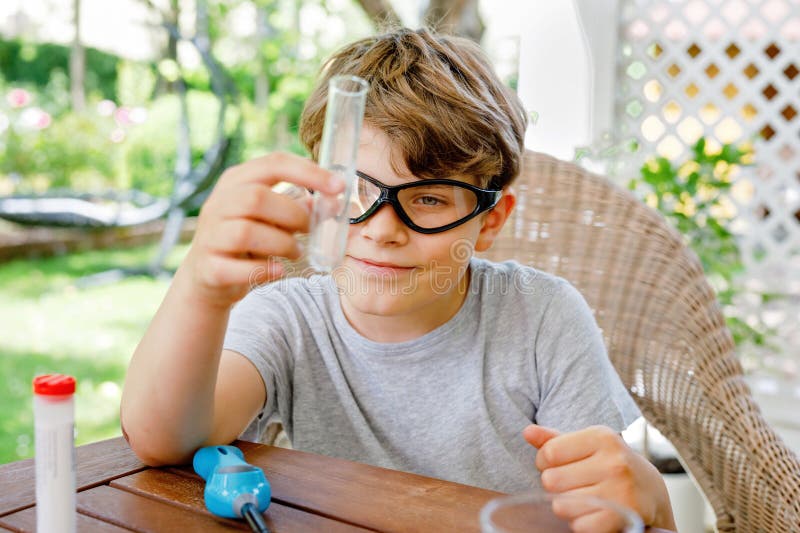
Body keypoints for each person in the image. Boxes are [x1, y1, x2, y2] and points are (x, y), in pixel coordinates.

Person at [121, 27, 676, 530]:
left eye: (429, 198)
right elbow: (163, 441)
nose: (383, 230)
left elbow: (607, 502)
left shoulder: (542, 317)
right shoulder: (287, 318)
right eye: (358, 190)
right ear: (317, 193)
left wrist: (652, 501)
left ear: (489, 222)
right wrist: (200, 288)